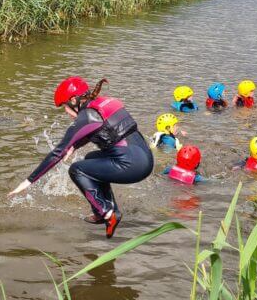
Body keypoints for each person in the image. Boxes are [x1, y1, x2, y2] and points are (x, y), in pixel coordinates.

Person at [8, 77, 153, 237]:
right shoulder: (104, 103)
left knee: (77, 170)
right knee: (91, 158)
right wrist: (75, 146)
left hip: (132, 166)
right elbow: (105, 129)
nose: (65, 111)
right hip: (144, 157)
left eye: (64, 106)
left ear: (73, 100)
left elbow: (57, 153)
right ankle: (110, 210)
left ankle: (106, 212)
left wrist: (27, 182)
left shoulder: (88, 116)